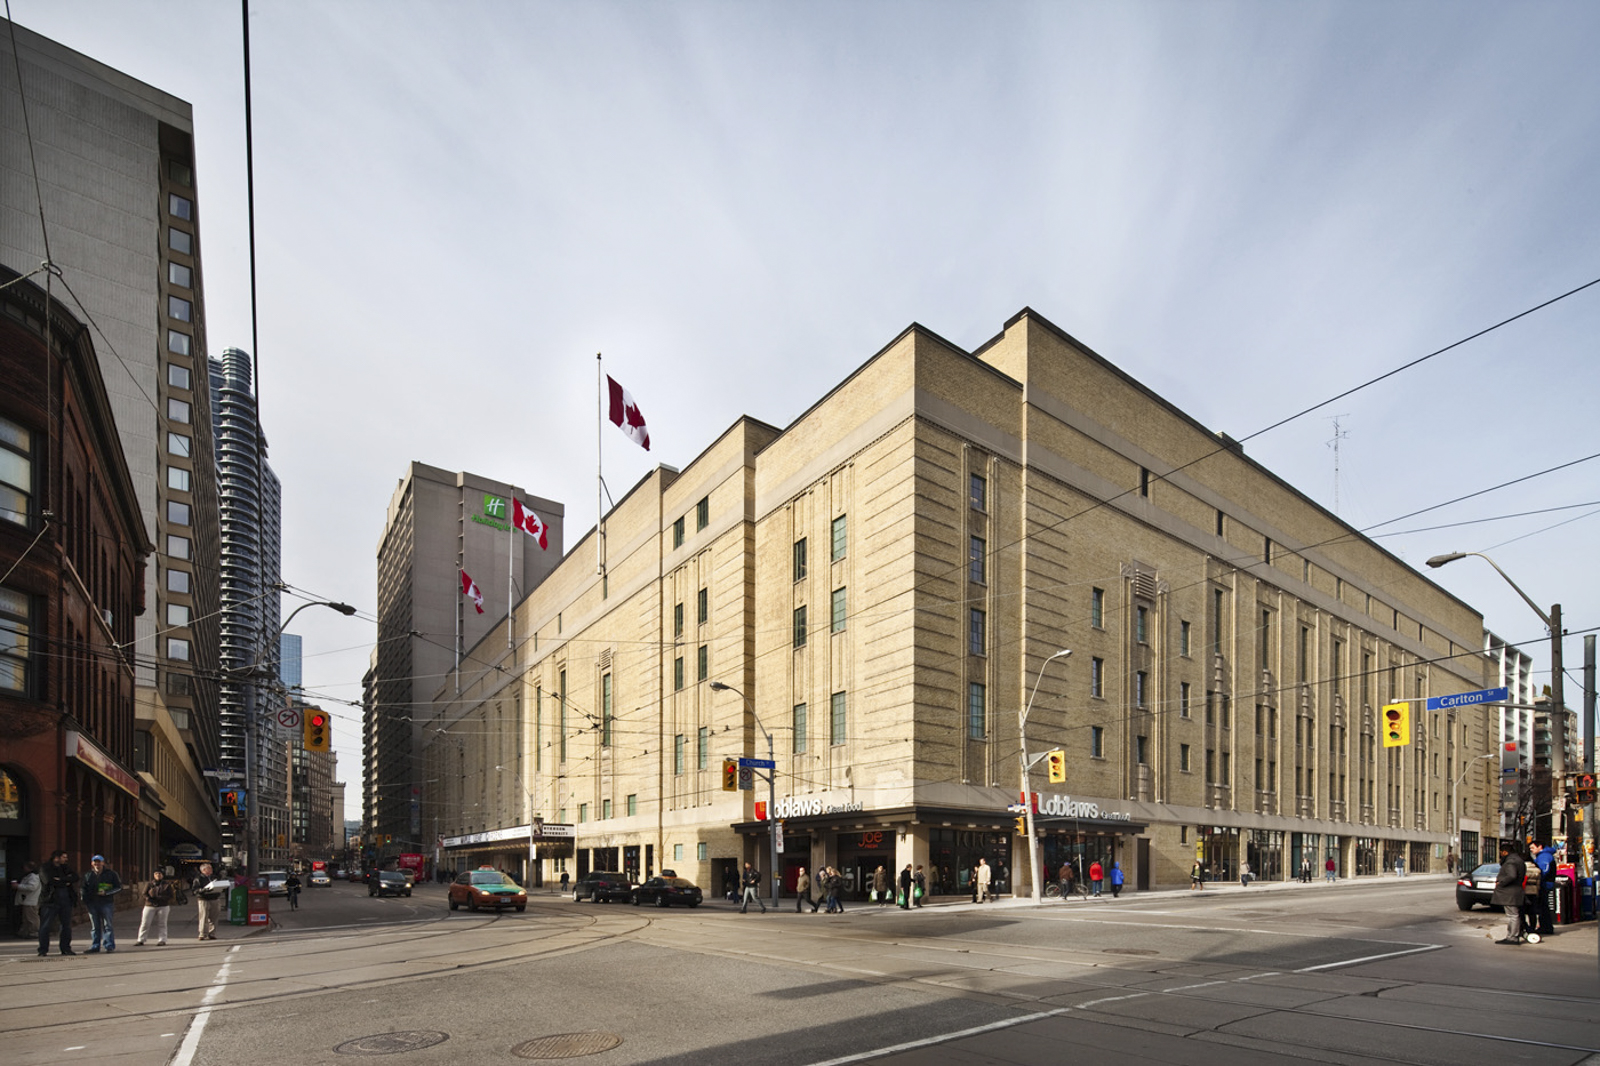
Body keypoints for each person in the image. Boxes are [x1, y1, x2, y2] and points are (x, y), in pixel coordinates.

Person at [38, 850, 78, 957]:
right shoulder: (45, 868)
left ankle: (66, 948)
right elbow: (48, 881)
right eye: (64, 857)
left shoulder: (65, 867)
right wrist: (66, 881)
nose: (66, 859)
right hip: (50, 901)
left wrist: (61, 879)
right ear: (56, 858)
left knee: (66, 926)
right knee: (45, 926)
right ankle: (43, 950)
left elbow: (75, 877)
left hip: (66, 901)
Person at [83, 855, 123, 953]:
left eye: (99, 862)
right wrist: (84, 897)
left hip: (106, 903)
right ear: (92, 863)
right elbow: (83, 887)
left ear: (103, 863)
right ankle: (95, 946)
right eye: (95, 862)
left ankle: (109, 945)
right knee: (94, 926)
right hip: (92, 903)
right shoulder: (88, 875)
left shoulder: (111, 874)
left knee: (107, 925)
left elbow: (119, 887)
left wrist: (107, 893)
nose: (97, 864)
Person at [1491, 842, 1526, 944]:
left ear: (1505, 852)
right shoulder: (1518, 860)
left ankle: (1512, 937)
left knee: (1513, 915)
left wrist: (1500, 883)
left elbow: (1511, 875)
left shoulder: (1510, 862)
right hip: (1515, 891)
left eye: (1501, 852)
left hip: (1510, 892)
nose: (1500, 854)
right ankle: (1512, 935)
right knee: (1513, 915)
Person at [137, 870, 174, 946]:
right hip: (150, 905)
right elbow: (144, 893)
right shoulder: (149, 884)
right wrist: (149, 899)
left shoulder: (167, 884)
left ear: (162, 875)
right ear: (154, 875)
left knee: (162, 923)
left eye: (160, 873)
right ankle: (141, 939)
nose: (158, 875)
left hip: (163, 906)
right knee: (145, 923)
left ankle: (162, 940)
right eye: (156, 873)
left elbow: (171, 895)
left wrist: (162, 898)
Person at [192, 862, 223, 941]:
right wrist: (203, 890)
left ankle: (212, 933)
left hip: (214, 898)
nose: (211, 870)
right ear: (204, 870)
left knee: (214, 917)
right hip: (204, 899)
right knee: (204, 917)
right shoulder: (198, 878)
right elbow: (195, 890)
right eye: (209, 868)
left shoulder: (214, 877)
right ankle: (202, 933)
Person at [11, 860, 40, 938]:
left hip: (31, 900)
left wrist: (18, 886)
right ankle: (25, 931)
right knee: (26, 917)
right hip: (27, 900)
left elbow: (32, 887)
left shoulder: (33, 877)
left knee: (31, 917)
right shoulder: (29, 876)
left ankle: (33, 932)